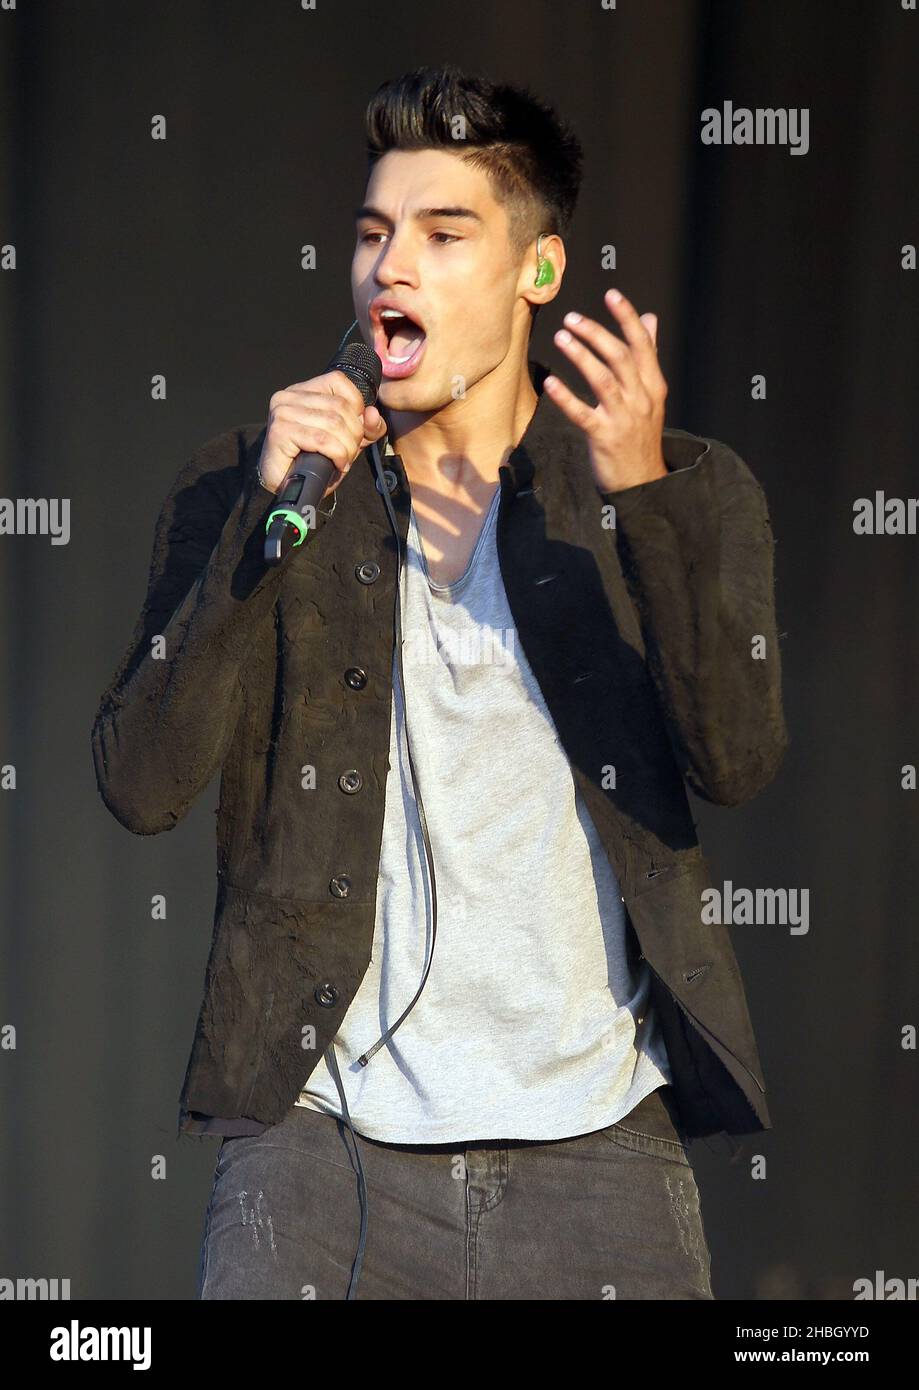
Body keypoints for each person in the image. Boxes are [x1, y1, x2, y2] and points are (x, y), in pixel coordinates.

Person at [92, 64, 788, 1301]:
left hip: (599, 1155)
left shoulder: (673, 487)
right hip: (318, 1149)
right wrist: (260, 519)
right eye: (371, 234)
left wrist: (648, 507)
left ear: (538, 271)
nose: (387, 267)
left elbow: (736, 759)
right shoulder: (250, 485)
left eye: (441, 232)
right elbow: (141, 783)